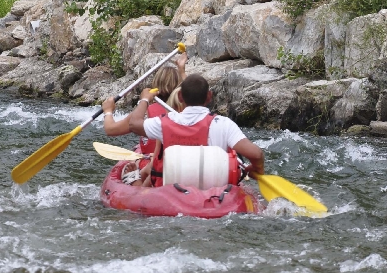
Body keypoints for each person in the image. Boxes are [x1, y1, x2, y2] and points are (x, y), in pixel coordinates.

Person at [127, 74, 265, 188]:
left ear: (180, 97)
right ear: (209, 96)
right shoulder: (223, 124)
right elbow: (256, 154)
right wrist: (256, 168)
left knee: (140, 174)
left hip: (169, 194)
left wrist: (144, 99)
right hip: (214, 197)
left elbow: (133, 124)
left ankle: (136, 184)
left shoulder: (162, 123)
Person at [100, 53, 187, 185]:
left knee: (133, 164)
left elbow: (111, 129)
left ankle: (137, 184)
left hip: (152, 163)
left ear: (155, 86)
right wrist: (182, 71)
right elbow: (193, 96)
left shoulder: (145, 112)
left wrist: (108, 111)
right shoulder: (185, 111)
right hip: (180, 166)